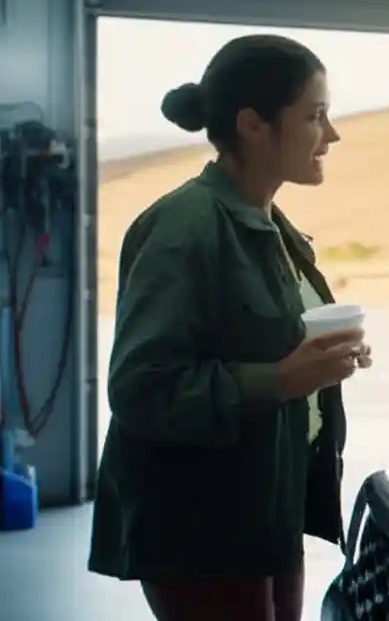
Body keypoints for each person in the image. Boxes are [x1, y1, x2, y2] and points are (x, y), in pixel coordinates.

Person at [88, 35, 373, 621]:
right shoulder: (183, 228)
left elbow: (263, 342)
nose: (333, 134)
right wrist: (281, 380)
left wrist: (321, 361)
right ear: (253, 124)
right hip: (200, 529)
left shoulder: (270, 223)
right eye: (316, 116)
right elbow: (141, 389)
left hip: (265, 513)